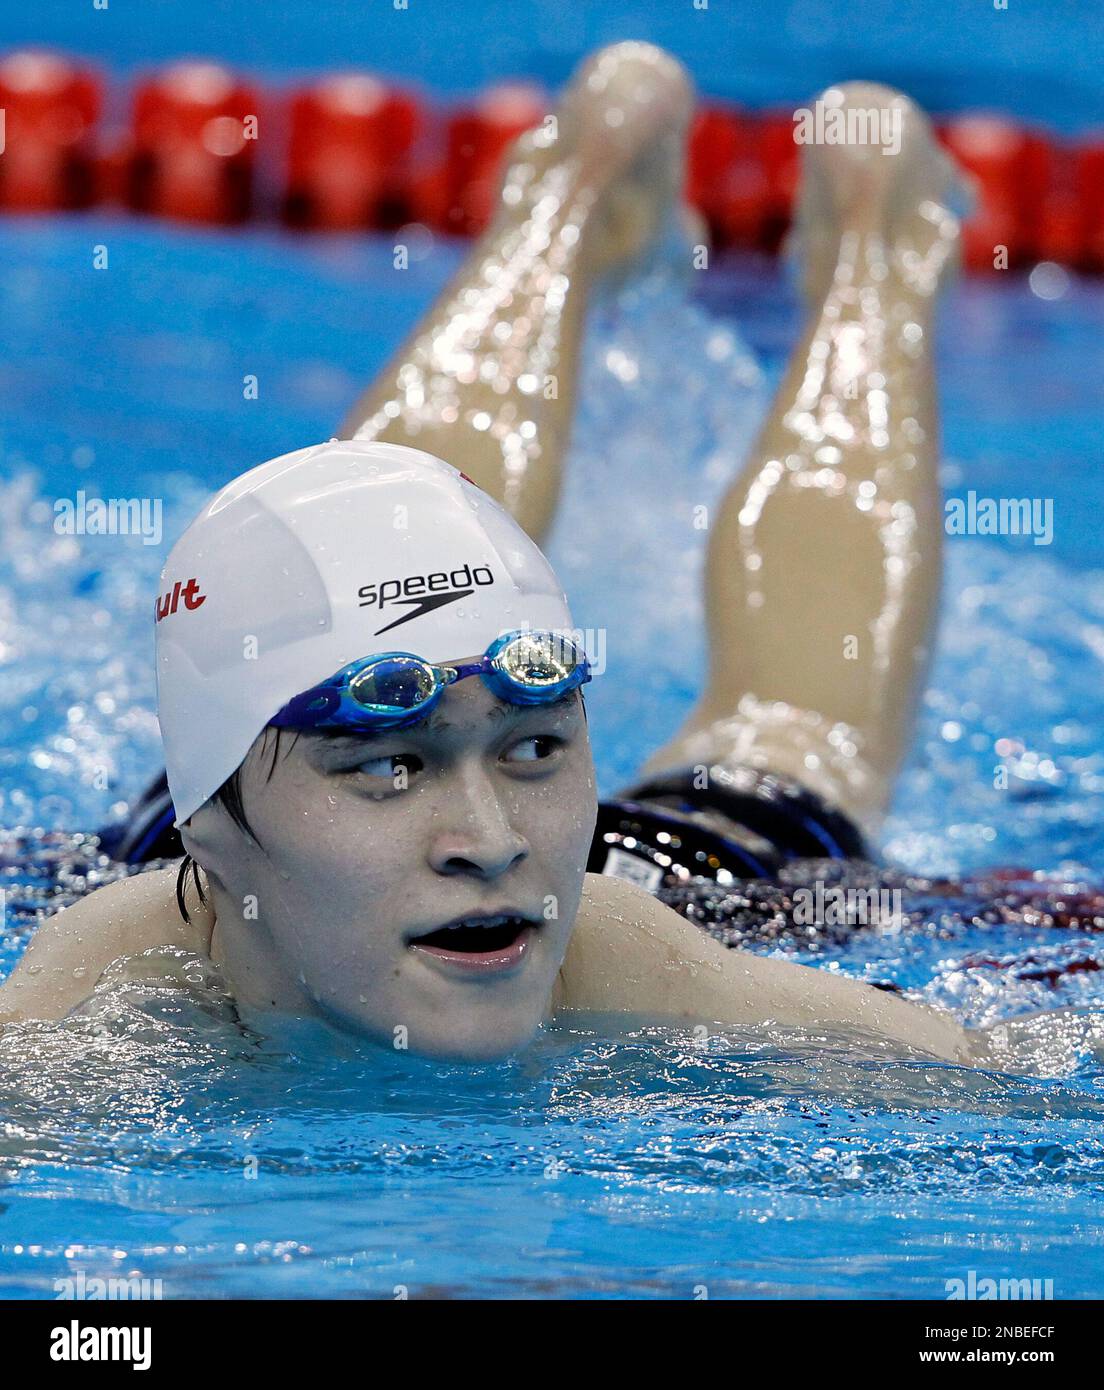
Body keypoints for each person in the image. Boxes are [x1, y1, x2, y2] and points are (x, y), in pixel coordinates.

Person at [0, 43, 976, 1065]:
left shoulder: (647, 967)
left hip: (662, 879)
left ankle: (875, 251)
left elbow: (1013, 1067)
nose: (495, 839)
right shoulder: (106, 994)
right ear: (212, 826)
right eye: (388, 765)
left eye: (537, 747)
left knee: (796, 738)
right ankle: (573, 192)